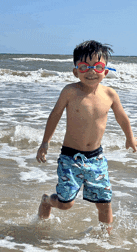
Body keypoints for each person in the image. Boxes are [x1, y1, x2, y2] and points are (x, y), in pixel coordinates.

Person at [36, 40, 137, 231]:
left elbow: (122, 118)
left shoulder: (110, 94)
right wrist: (44, 143)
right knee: (66, 204)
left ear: (105, 71)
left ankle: (105, 239)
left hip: (96, 158)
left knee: (104, 202)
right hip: (70, 158)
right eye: (84, 67)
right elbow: (54, 116)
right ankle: (47, 201)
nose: (91, 72)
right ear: (76, 71)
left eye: (97, 66)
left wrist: (130, 137)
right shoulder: (70, 92)